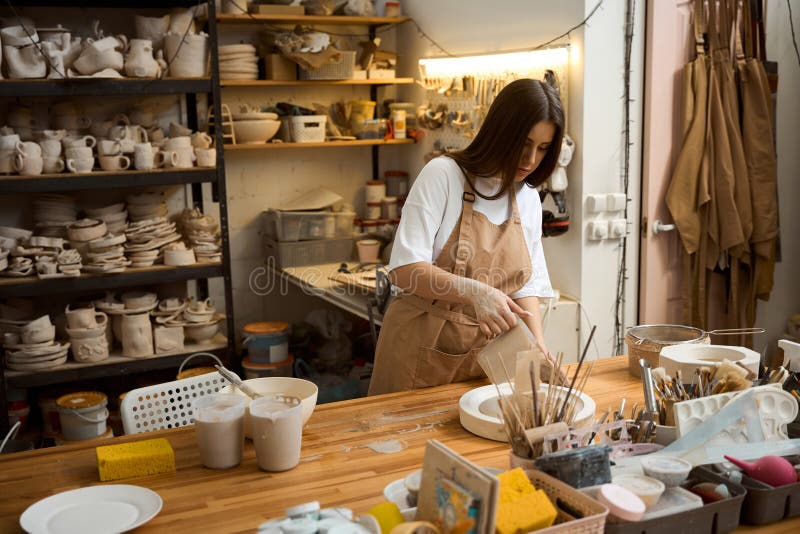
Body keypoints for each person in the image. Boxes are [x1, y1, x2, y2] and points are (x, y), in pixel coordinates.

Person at [368, 78, 564, 395]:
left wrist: (536, 347)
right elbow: (404, 271)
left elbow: (527, 284)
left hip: (485, 359)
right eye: (524, 144)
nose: (530, 160)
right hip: (419, 352)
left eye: (543, 149)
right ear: (500, 133)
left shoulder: (526, 196)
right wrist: (475, 293)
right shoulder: (443, 175)